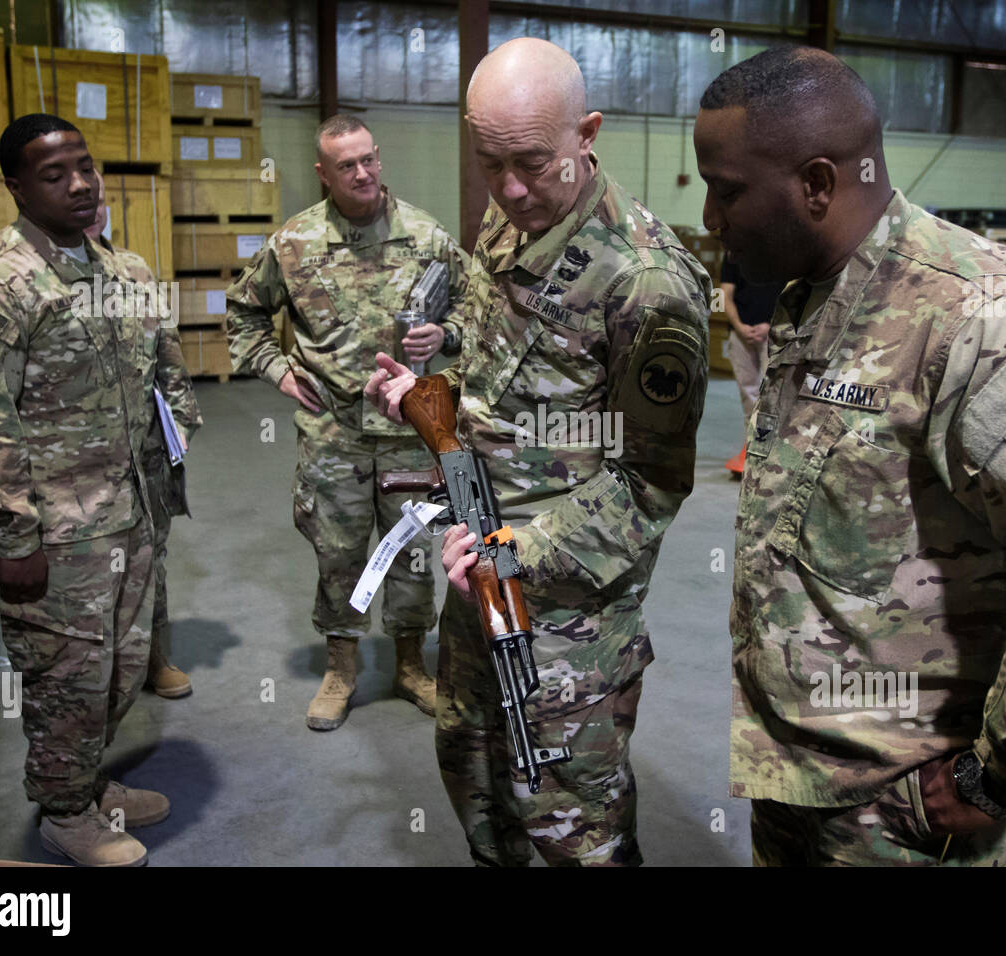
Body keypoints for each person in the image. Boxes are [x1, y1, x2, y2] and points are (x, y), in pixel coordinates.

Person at [695, 46, 1006, 866]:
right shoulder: (813, 299)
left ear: (817, 184)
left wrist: (1001, 772)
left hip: (906, 821)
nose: (712, 219)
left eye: (728, 191)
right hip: (801, 786)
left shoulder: (980, 324)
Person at [367, 37, 711, 866]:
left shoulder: (647, 284)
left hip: (564, 611)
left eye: (532, 163)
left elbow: (649, 483)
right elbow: (493, 374)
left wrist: (517, 549)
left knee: (569, 825)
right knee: (476, 781)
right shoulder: (509, 218)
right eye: (491, 164)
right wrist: (427, 398)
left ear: (586, 133)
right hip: (472, 560)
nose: (511, 189)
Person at [0, 114, 189, 866]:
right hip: (57, 533)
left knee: (119, 669)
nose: (80, 184)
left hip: (130, 516)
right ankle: (64, 813)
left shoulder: (118, 270)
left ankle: (88, 785)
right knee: (66, 680)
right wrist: (14, 540)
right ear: (15, 186)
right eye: (54, 174)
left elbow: (158, 382)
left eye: (85, 166)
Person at [226, 115, 468, 729]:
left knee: (412, 553)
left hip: (413, 430)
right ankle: (341, 667)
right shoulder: (294, 244)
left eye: (369, 160)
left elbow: (480, 309)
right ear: (322, 173)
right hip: (333, 431)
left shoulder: (427, 236)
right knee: (338, 552)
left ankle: (412, 664)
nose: (361, 173)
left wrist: (449, 333)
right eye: (345, 165)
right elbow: (243, 314)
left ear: (379, 157)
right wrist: (279, 370)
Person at [85, 181, 202, 699]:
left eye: (100, 197)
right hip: (77, 461)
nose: (93, 206)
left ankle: (153, 657)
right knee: (86, 568)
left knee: (148, 556)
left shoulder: (133, 270)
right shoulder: (34, 279)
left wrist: (179, 425)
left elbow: (166, 351)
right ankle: (91, 672)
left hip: (144, 452)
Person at [719, 251, 779, 476]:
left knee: (773, 397)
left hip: (773, 334)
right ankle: (752, 452)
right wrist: (738, 326)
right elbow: (725, 295)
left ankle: (773, 454)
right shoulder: (735, 253)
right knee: (749, 397)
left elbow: (793, 293)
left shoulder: (782, 251)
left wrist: (771, 325)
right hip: (741, 334)